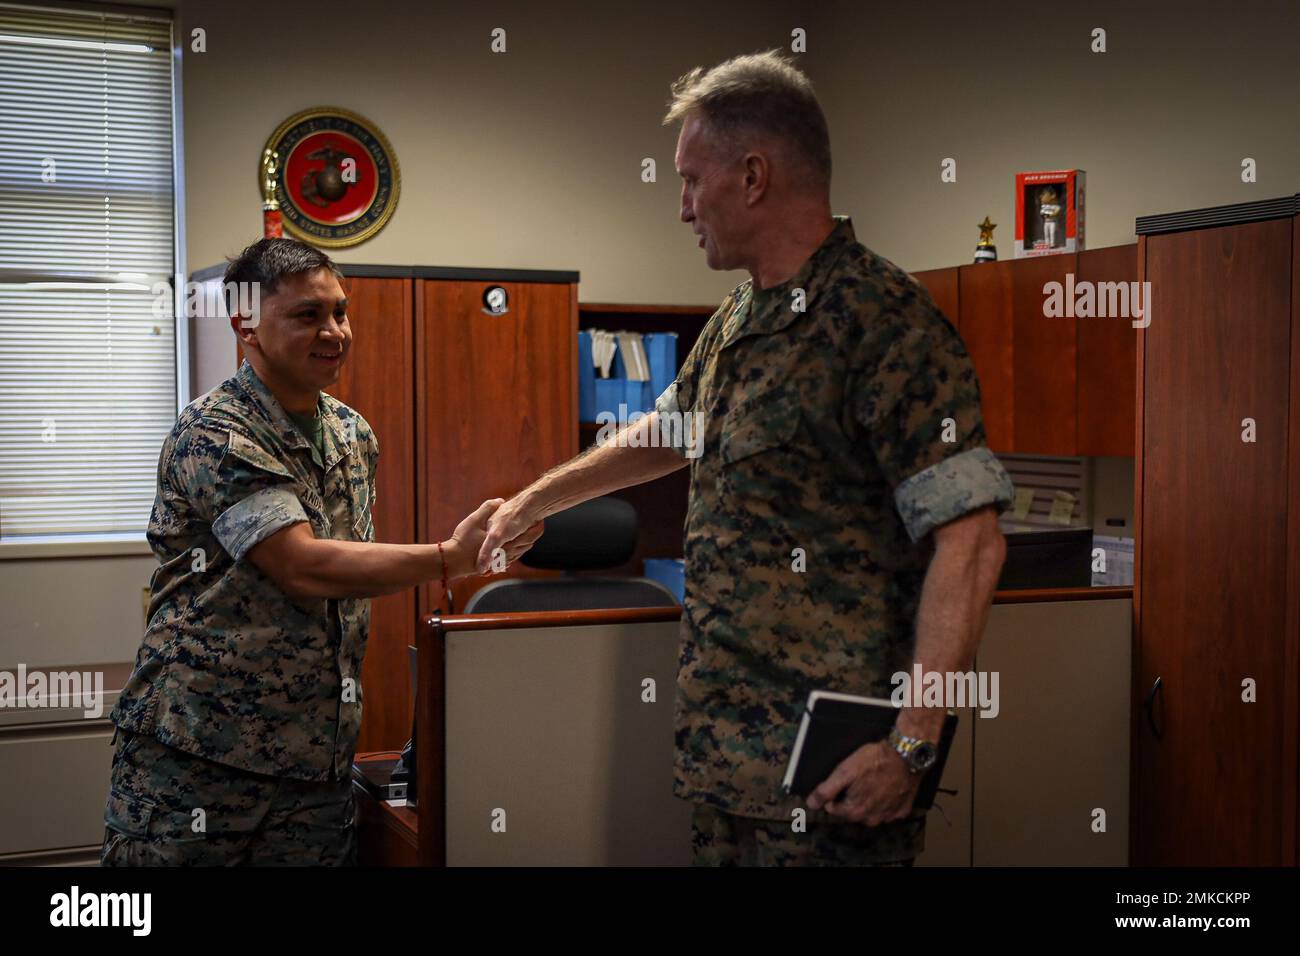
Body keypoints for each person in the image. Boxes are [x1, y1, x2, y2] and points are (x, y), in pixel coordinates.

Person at [478, 51, 1014, 866]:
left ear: (754, 176)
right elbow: (668, 432)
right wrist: (534, 502)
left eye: (692, 180)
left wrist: (912, 745)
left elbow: (971, 542)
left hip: (835, 776)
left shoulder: (882, 320)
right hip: (728, 763)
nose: (682, 207)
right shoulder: (737, 318)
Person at [101, 238, 540, 865]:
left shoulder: (352, 433)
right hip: (200, 759)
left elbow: (345, 579)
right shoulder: (215, 431)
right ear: (246, 326)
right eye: (308, 315)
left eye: (340, 311)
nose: (334, 332)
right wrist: (450, 557)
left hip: (315, 762)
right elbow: (302, 566)